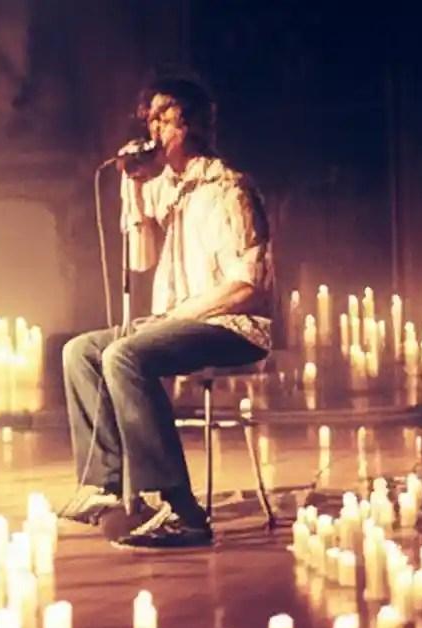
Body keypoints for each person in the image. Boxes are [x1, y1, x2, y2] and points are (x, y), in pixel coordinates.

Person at [59, 75, 276, 549]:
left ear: (192, 123)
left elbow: (249, 287)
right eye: (149, 117)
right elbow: (139, 260)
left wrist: (180, 317)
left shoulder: (230, 190)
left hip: (230, 326)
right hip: (177, 321)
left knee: (122, 356)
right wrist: (134, 190)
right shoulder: (164, 190)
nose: (152, 126)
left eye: (164, 115)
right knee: (80, 351)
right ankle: (107, 484)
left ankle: (182, 509)